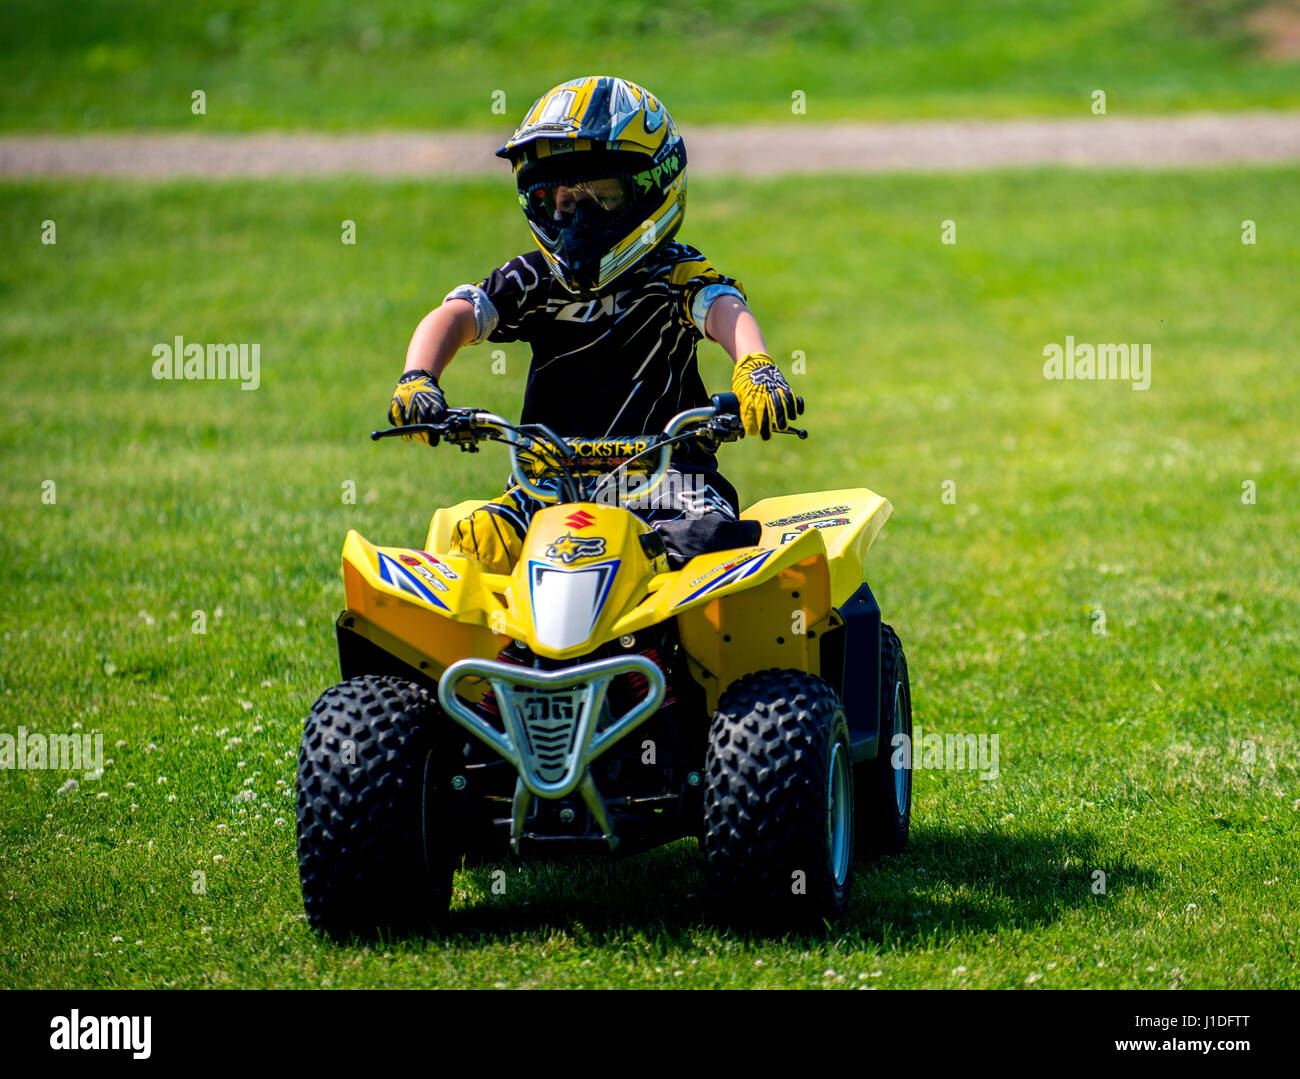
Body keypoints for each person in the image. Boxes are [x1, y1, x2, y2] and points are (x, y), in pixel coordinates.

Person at [388, 76, 801, 572]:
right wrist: (418, 378)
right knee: (480, 545)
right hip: (545, 482)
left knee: (713, 542)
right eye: (564, 202)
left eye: (602, 197)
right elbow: (457, 314)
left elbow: (722, 308)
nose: (578, 220)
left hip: (672, 477)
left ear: (654, 188)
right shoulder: (534, 278)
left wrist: (756, 366)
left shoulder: (672, 272)